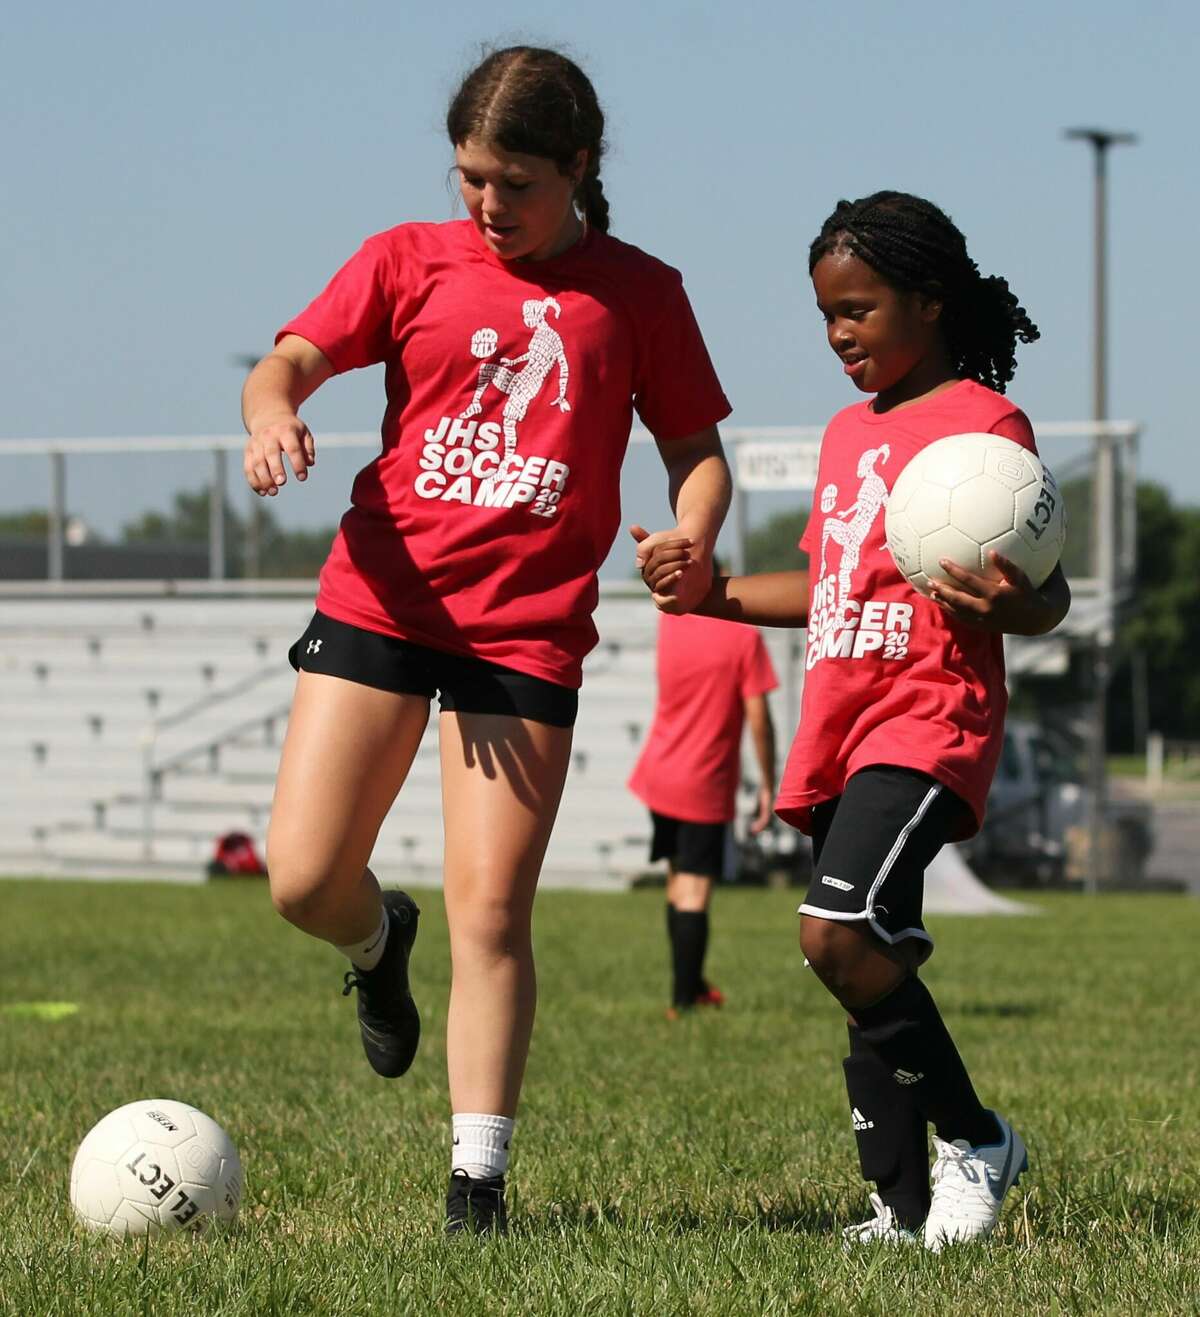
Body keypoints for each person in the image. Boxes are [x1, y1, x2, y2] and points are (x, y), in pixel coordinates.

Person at [240, 45, 732, 1235]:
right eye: (470, 178)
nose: (487, 206)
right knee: (303, 879)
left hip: (524, 636)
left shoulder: (640, 293)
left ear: (578, 168)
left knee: (494, 914)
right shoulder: (406, 258)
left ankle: (477, 1188)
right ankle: (374, 940)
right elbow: (291, 358)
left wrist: (693, 537)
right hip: (383, 600)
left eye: (514, 183)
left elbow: (696, 451)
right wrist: (272, 411)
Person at [634, 191, 1070, 1250]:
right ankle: (899, 1205)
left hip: (927, 718)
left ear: (929, 303)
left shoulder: (984, 427)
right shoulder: (843, 435)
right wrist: (710, 589)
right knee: (868, 963)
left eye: (860, 310)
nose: (839, 333)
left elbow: (1046, 592)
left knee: (834, 935)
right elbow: (826, 584)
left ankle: (975, 1139)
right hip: (842, 720)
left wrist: (1018, 606)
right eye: (827, 313)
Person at [627, 563, 778, 1018]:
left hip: (659, 772)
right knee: (695, 891)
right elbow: (758, 718)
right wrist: (769, 782)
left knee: (678, 883)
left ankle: (690, 983)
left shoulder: (670, 622)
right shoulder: (742, 636)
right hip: (703, 781)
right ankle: (683, 999)